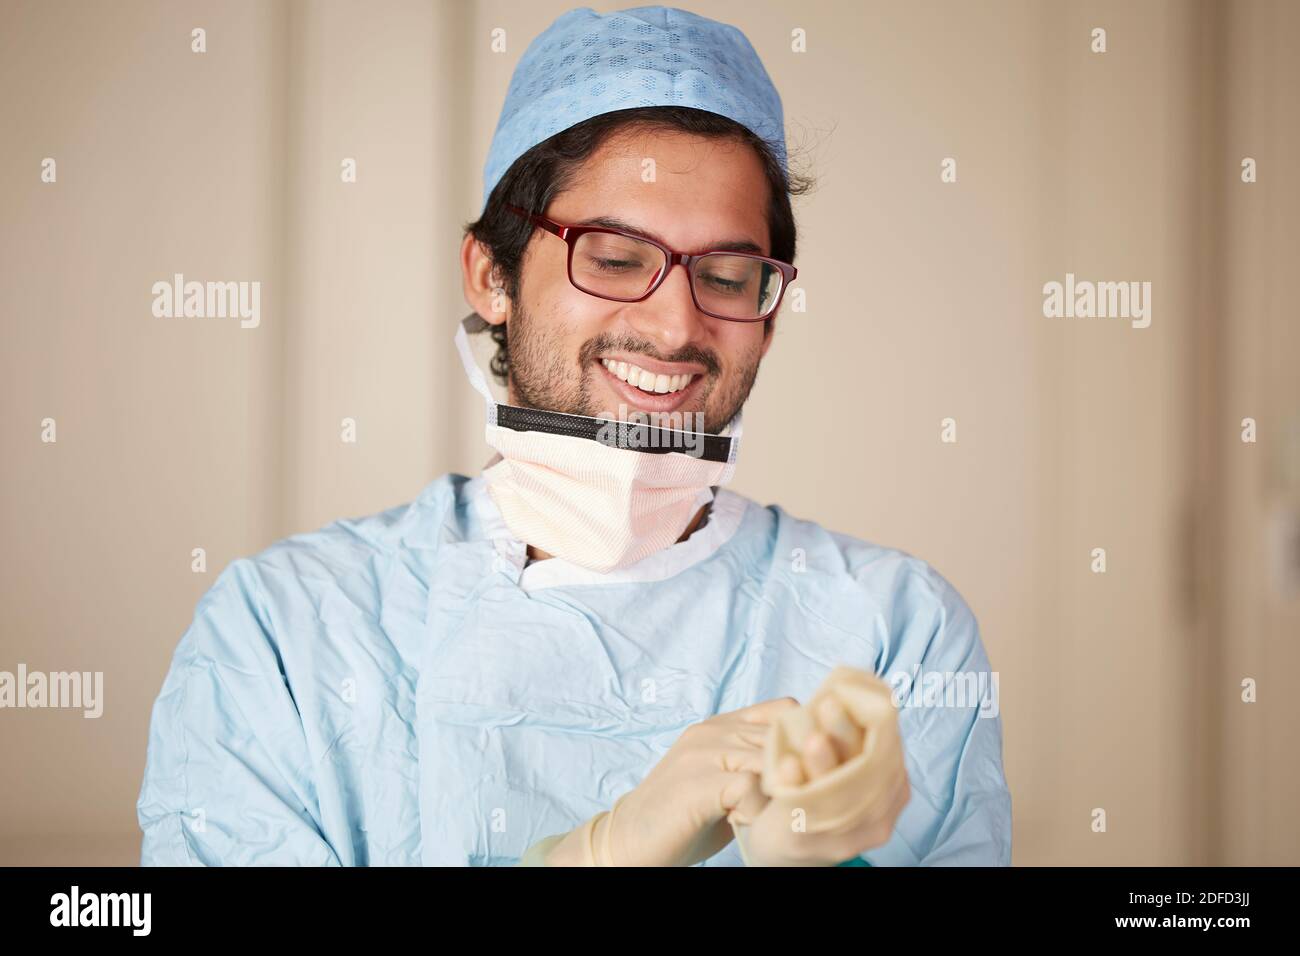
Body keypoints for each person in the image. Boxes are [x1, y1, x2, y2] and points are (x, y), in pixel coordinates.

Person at [137, 4, 1011, 867]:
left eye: (728, 273)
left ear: (768, 315)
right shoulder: (283, 640)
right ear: (493, 275)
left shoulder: (894, 635)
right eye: (616, 257)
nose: (674, 327)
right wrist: (599, 857)